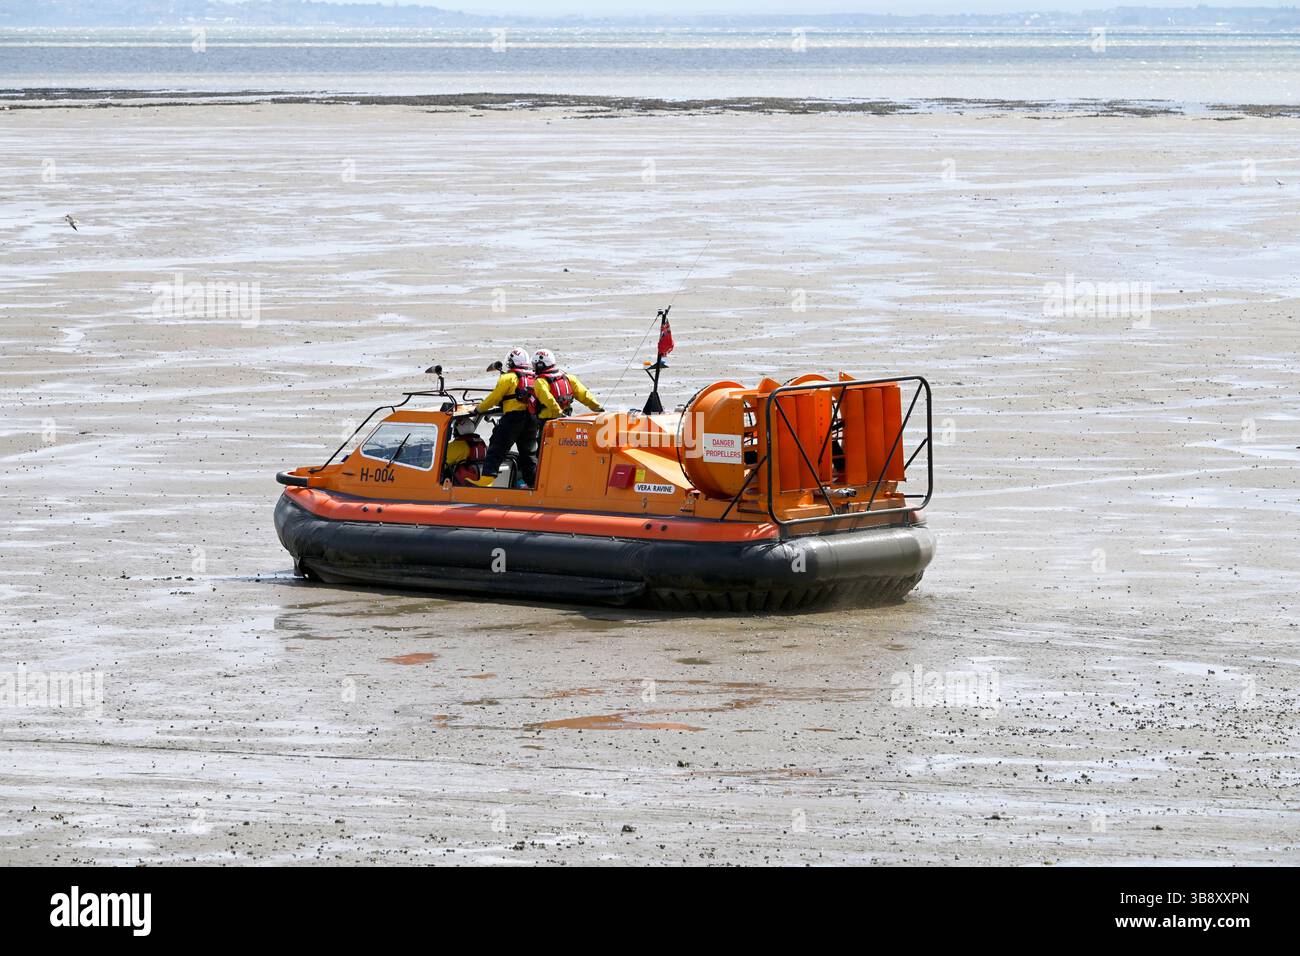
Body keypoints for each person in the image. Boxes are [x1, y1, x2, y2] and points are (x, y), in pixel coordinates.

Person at [468, 347, 537, 488]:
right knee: (528, 454)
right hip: (531, 420)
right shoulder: (535, 378)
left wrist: (478, 409)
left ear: (511, 362)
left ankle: (487, 478)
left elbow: (493, 398)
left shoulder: (507, 378)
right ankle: (533, 483)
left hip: (513, 418)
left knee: (497, 447)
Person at [530, 349, 604, 423]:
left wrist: (559, 414)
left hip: (548, 420)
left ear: (540, 365)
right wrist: (597, 408)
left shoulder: (540, 381)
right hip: (567, 418)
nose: (533, 368)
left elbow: (548, 399)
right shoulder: (568, 377)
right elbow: (584, 394)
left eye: (534, 364)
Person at [444, 415, 487, 486]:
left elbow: (441, 463)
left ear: (458, 430)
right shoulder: (481, 442)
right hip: (478, 481)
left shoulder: (457, 445)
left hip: (460, 484)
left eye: (455, 429)